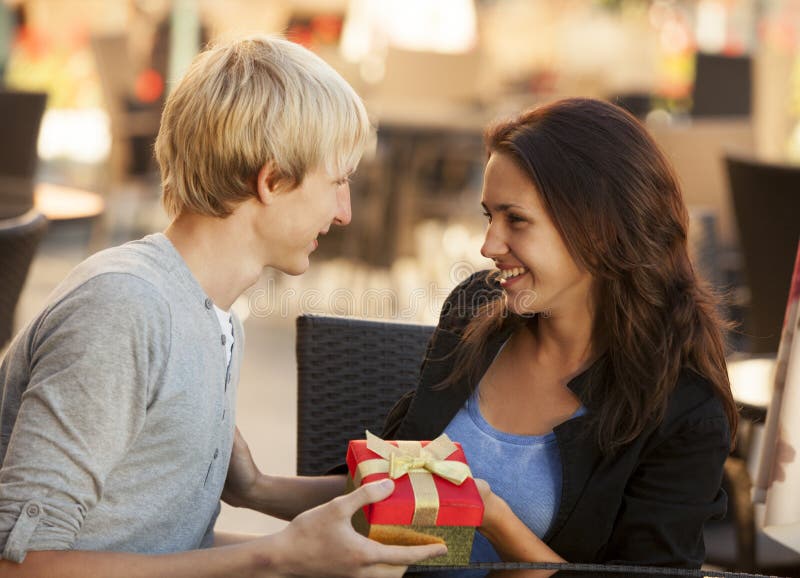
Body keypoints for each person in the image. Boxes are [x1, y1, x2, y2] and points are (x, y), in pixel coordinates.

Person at [0, 35, 446, 577]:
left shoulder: (218, 320)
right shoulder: (125, 309)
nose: (345, 211)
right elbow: (20, 566)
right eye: (339, 181)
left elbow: (159, 545)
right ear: (273, 179)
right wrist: (273, 555)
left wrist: (268, 513)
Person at [381, 98, 738, 569]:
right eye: (490, 216)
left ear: (602, 227)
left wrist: (496, 521)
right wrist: (258, 486)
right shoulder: (475, 310)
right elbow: (391, 489)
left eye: (517, 219)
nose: (489, 245)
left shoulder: (684, 411)